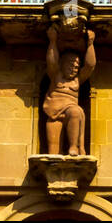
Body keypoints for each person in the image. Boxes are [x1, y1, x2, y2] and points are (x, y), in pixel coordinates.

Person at [43, 24, 95, 155]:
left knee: (75, 111)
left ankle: (74, 146)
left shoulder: (77, 80)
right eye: (71, 65)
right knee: (52, 153)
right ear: (62, 64)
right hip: (53, 114)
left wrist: (90, 45)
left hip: (70, 114)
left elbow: (89, 66)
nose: (74, 69)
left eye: (77, 67)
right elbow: (52, 61)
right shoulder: (56, 76)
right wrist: (53, 41)